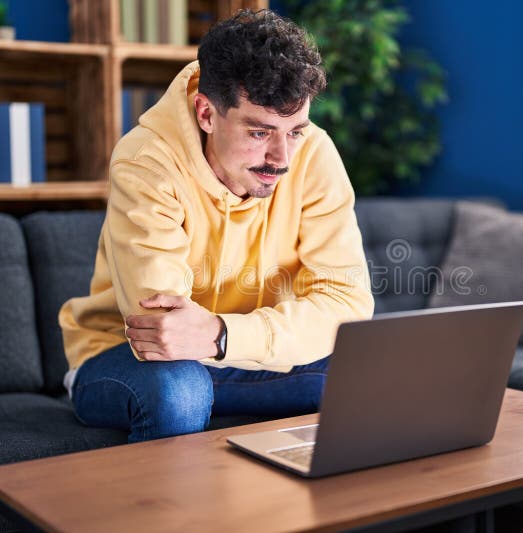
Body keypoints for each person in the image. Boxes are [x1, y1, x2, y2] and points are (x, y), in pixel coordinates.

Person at [58, 9, 374, 443]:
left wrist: (222, 336)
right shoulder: (146, 162)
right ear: (206, 113)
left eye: (295, 131)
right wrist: (242, 339)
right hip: (124, 356)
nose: (282, 158)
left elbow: (346, 304)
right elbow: (161, 333)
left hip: (233, 348)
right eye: (260, 133)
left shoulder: (314, 153)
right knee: (180, 390)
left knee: (368, 368)